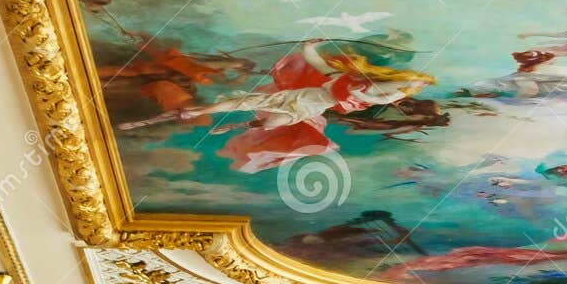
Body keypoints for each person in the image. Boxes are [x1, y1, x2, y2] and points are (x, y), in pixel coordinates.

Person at [117, 41, 434, 173]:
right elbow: (313, 60)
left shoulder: (364, 95)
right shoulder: (343, 80)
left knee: (268, 125)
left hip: (302, 110)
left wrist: (414, 84)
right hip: (290, 97)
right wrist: (310, 46)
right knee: (239, 102)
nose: (369, 86)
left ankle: (240, 125)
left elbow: (386, 94)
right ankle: (190, 114)